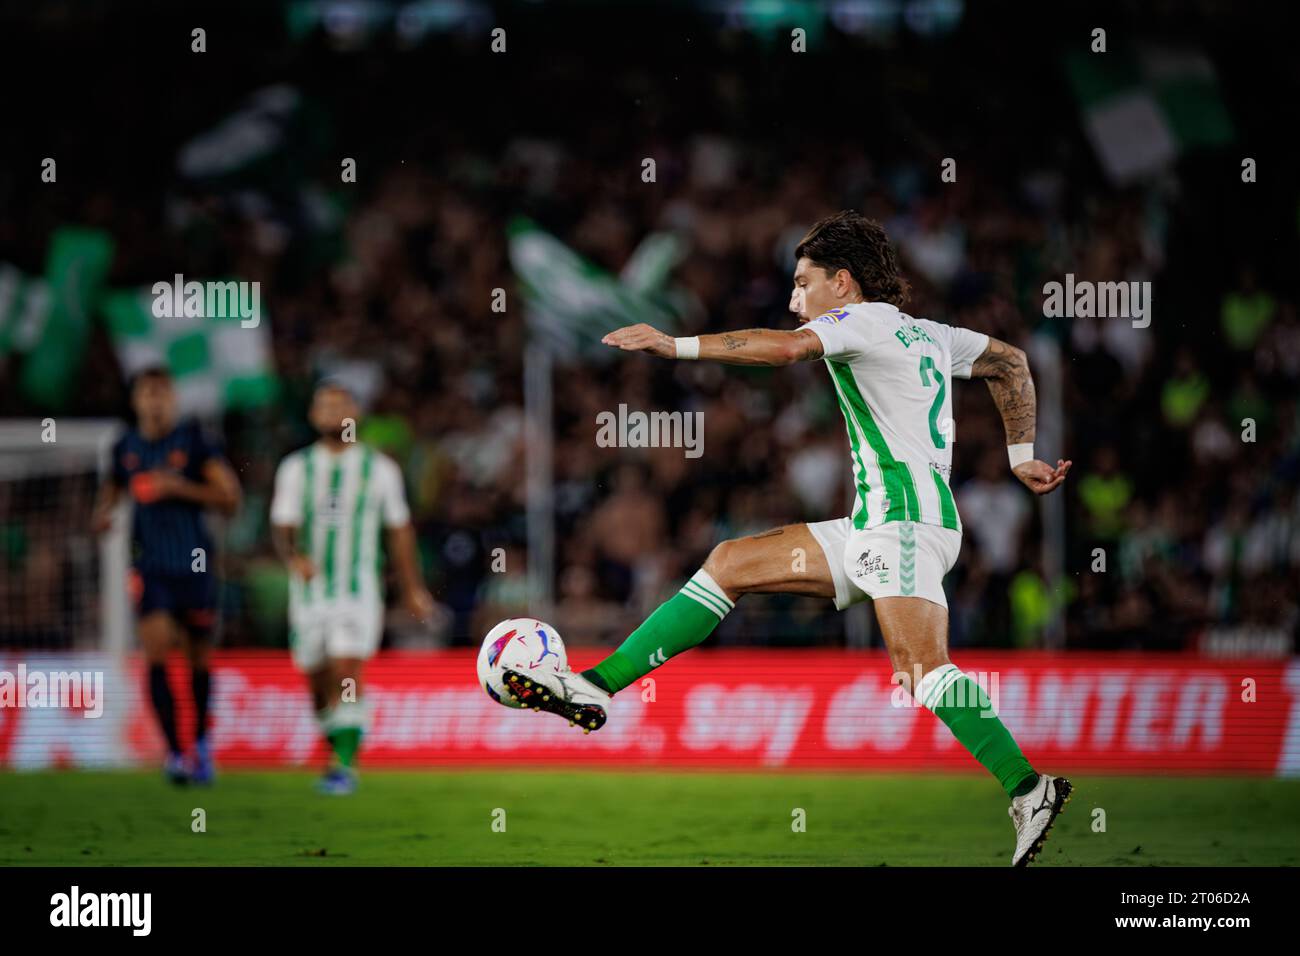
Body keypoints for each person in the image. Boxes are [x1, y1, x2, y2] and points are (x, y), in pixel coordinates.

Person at [509, 211, 1074, 866]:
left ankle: (1029, 787)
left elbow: (780, 349)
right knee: (731, 562)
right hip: (878, 527)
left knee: (921, 670)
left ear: (842, 281)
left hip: (905, 529)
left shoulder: (857, 321)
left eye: (803, 284)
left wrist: (675, 345)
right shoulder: (928, 335)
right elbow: (1009, 361)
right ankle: (594, 687)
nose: (793, 300)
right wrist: (1021, 454)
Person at [270, 382, 434, 795]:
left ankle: (344, 765)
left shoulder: (379, 469)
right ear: (312, 416)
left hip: (358, 589)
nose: (332, 412)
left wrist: (413, 588)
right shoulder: (295, 468)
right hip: (309, 592)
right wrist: (294, 557)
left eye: (340, 404)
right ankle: (337, 747)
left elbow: (399, 532)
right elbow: (283, 527)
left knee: (347, 668)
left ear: (355, 413)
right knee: (317, 679)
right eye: (324, 405)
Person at [93, 367, 241, 785]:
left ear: (173, 400)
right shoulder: (124, 447)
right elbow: (108, 498)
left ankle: (201, 745)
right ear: (136, 401)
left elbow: (230, 499)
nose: (155, 402)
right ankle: (175, 752)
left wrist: (178, 488)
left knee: (198, 658)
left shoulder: (195, 443)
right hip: (150, 566)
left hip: (194, 565)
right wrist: (102, 517)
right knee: (156, 648)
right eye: (147, 394)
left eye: (162, 394)